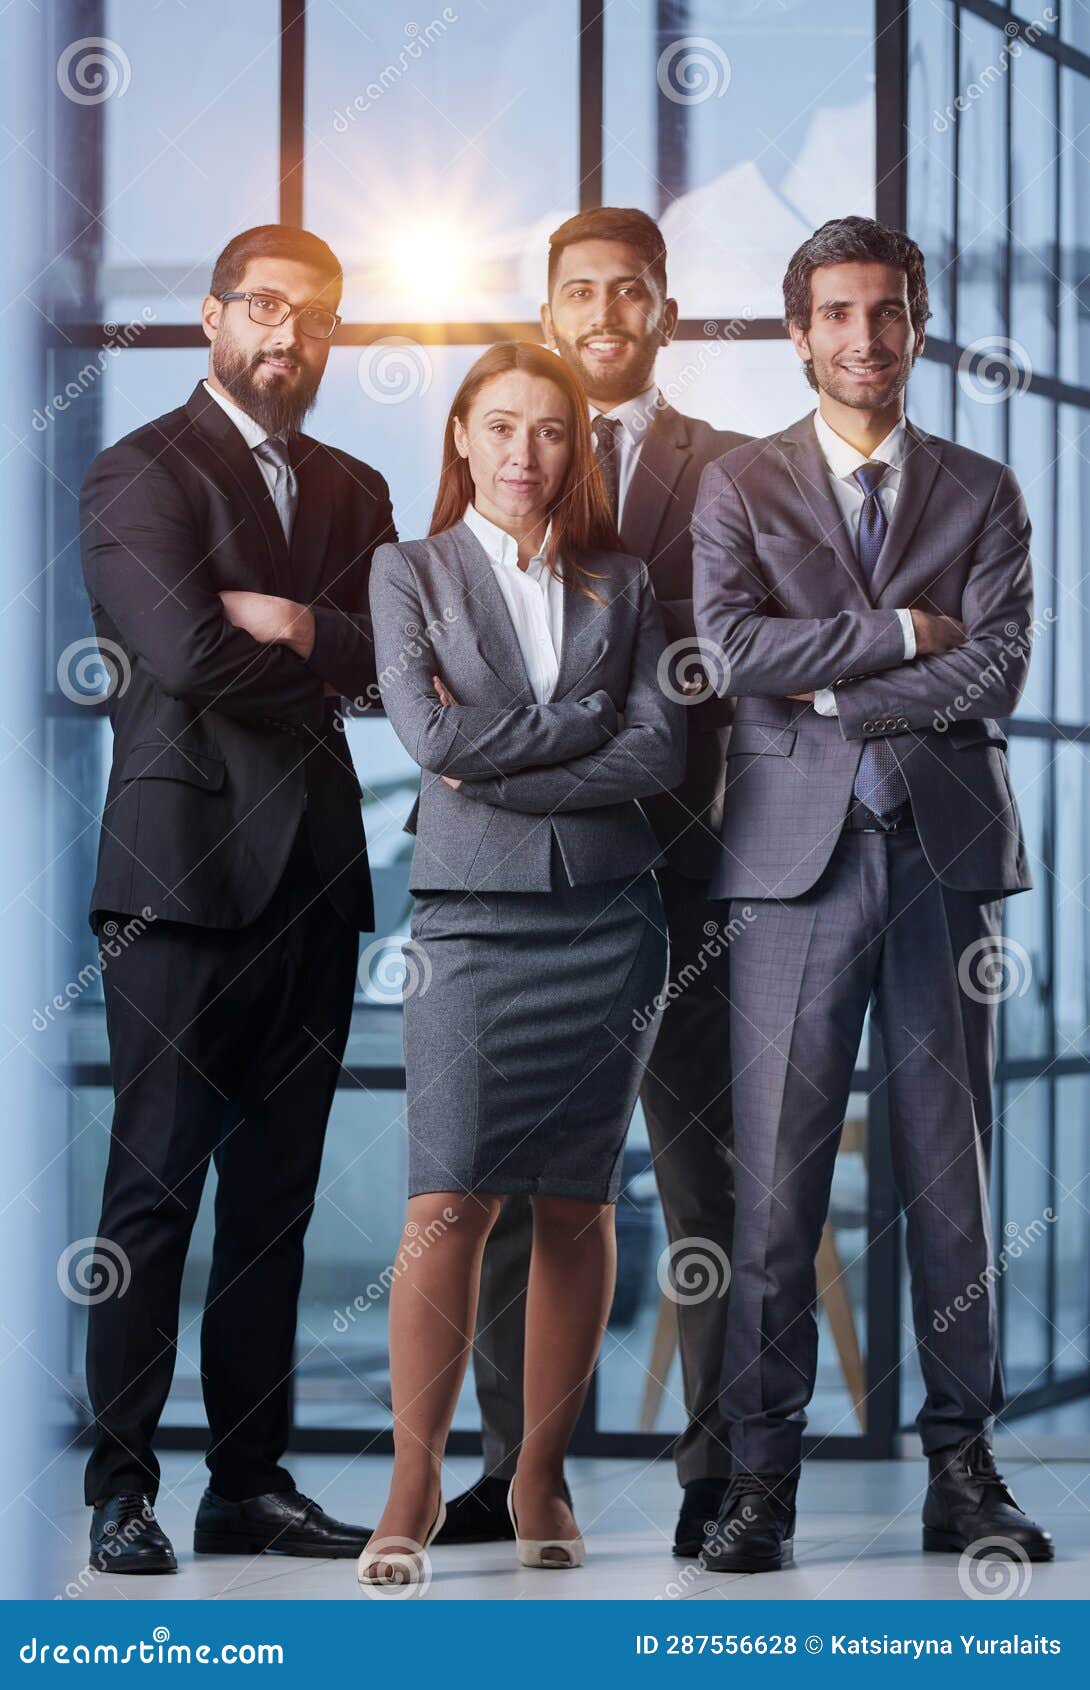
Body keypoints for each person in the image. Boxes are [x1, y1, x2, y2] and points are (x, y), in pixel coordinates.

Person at [692, 215, 1052, 1572]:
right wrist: (899, 636)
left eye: (886, 312)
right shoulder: (737, 486)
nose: (862, 337)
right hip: (790, 864)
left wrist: (825, 680)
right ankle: (758, 1482)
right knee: (774, 1188)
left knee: (948, 1185)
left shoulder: (981, 487)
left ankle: (961, 1467)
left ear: (915, 325)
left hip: (942, 861)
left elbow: (999, 669)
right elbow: (730, 648)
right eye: (836, 314)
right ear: (798, 333)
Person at [78, 225, 393, 1574]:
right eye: (262, 308)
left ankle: (246, 1483)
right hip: (181, 883)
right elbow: (187, 653)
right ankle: (122, 1489)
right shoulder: (135, 469)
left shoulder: (355, 484)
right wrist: (286, 646)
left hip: (314, 880)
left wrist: (308, 628)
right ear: (213, 317)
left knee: (275, 1201)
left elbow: (394, 664)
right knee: (152, 1194)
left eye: (313, 317)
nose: (286, 337)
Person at [438, 208, 748, 1562]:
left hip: (695, 867)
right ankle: (515, 1470)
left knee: (706, 1188)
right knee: (516, 1182)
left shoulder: (736, 472)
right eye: (579, 291)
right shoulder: (505, 468)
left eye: (631, 289)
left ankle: (720, 1467)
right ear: (550, 311)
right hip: (535, 886)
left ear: (664, 309)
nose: (605, 310)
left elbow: (745, 672)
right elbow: (442, 665)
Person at [360, 340, 685, 1584]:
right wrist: (578, 724)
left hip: (611, 916)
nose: (524, 454)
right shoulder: (411, 571)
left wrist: (509, 748)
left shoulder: (625, 579)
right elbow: (424, 730)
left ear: (577, 446)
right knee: (444, 1200)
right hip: (467, 920)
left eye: (550, 431)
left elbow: (655, 754)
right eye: (500, 427)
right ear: (460, 436)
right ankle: (413, 1484)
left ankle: (539, 1472)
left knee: (575, 1203)